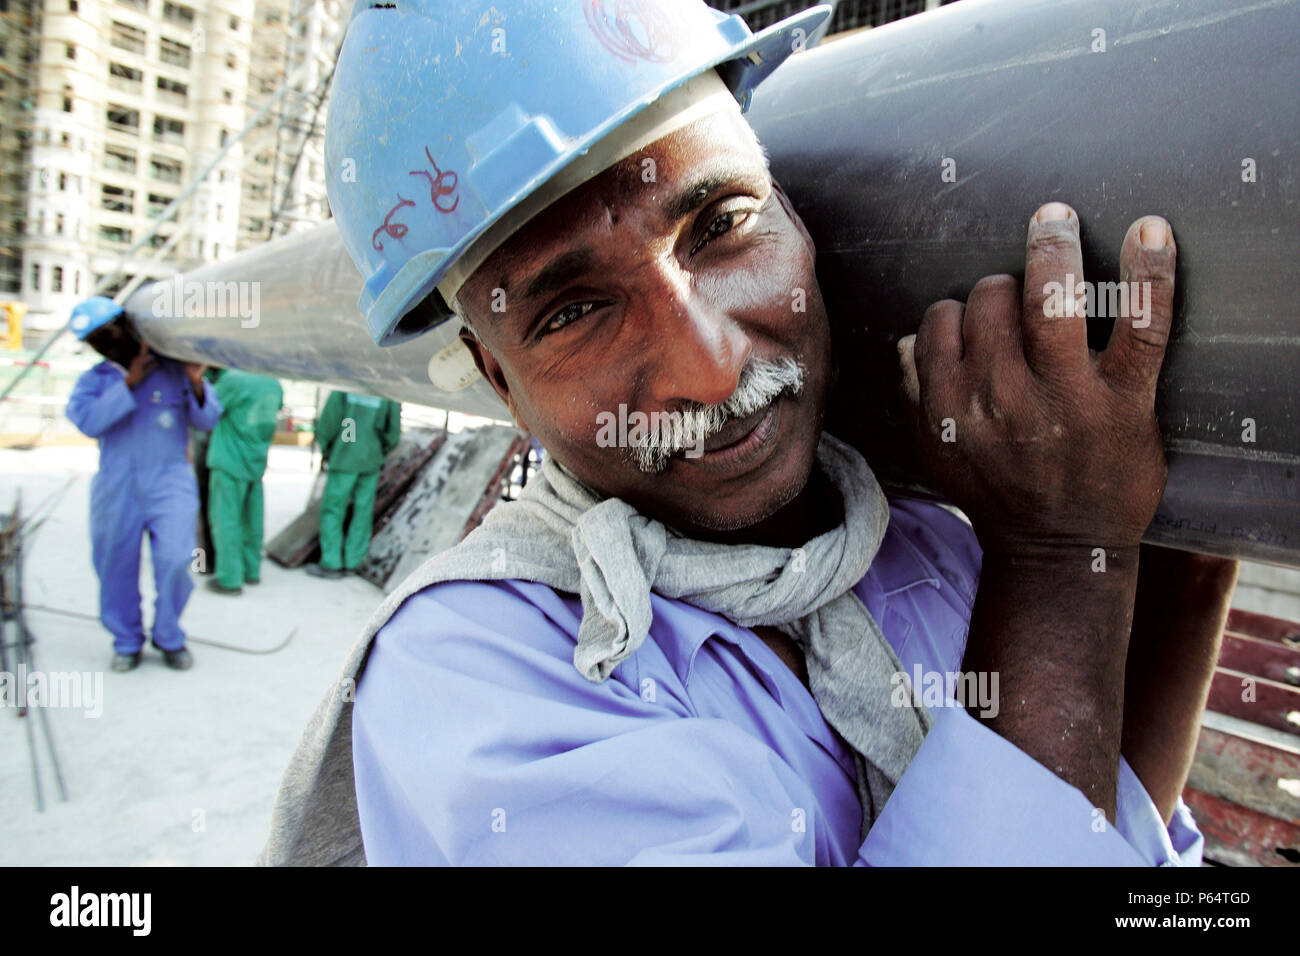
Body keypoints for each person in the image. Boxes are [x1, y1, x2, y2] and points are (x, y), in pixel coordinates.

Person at [259, 1, 1238, 865]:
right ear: (498, 384)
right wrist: (1061, 560)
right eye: (571, 314)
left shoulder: (924, 545)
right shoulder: (470, 680)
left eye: (724, 223)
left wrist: (1186, 538)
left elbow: (1108, 832)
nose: (712, 368)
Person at [65, 296, 222, 672]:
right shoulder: (94, 381)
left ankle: (169, 635)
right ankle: (126, 640)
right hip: (116, 487)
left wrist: (197, 381)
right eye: (95, 341)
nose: (104, 344)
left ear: (126, 326)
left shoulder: (172, 371)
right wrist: (128, 382)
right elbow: (88, 422)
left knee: (175, 559)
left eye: (108, 333)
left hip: (169, 482)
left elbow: (208, 419)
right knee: (114, 565)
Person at [204, 368, 284, 595]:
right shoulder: (273, 383)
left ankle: (229, 579)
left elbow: (206, 411)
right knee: (253, 520)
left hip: (230, 461)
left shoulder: (233, 380)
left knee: (226, 520)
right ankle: (251, 571)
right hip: (256, 460)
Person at [305, 390, 401, 579]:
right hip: (370, 460)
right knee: (362, 511)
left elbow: (328, 424)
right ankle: (353, 561)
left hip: (343, 457)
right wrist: (378, 451)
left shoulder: (344, 387)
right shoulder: (387, 391)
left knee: (333, 510)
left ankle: (332, 563)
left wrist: (327, 448)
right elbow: (393, 433)